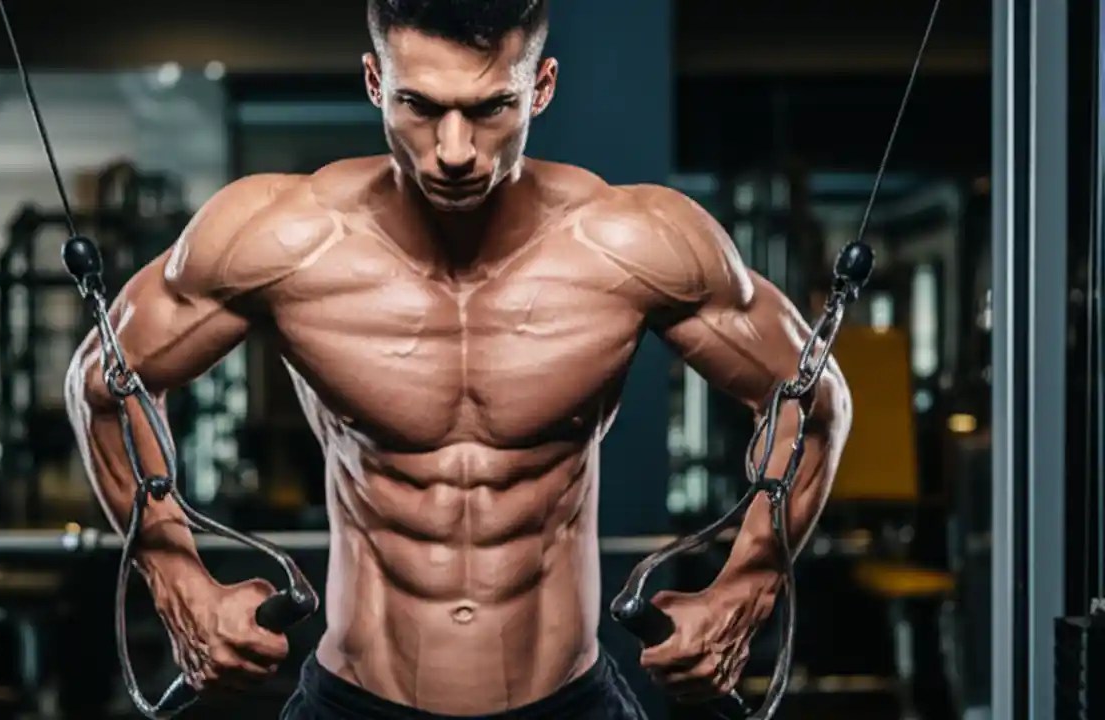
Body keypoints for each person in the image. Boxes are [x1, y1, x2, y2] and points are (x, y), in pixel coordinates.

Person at [64, 1, 852, 718]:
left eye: (490, 109)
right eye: (419, 105)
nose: (454, 152)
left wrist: (749, 584)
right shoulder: (280, 240)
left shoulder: (634, 244)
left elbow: (811, 397)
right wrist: (177, 580)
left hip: (568, 702)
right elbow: (106, 382)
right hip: (357, 700)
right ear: (375, 81)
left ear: (539, 88)